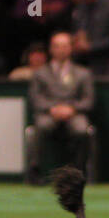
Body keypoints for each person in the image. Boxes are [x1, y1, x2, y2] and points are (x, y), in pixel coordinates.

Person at [28, 31, 94, 183]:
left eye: (65, 46)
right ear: (51, 49)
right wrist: (53, 109)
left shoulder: (83, 73)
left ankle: (78, 173)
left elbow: (88, 100)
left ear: (71, 48)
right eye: (57, 46)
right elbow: (36, 99)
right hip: (48, 113)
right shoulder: (39, 73)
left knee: (81, 129)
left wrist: (71, 109)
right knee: (41, 126)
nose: (61, 50)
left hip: (74, 114)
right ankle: (35, 172)